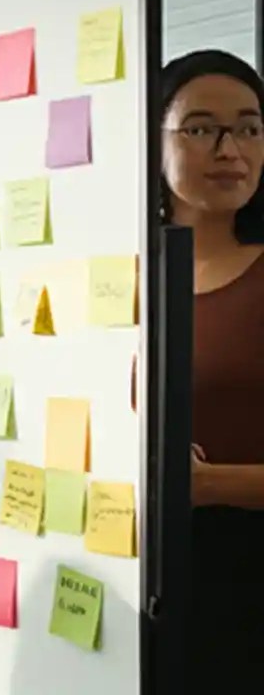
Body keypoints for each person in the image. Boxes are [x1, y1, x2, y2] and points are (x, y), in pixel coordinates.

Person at [160, 49, 264, 686]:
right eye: (201, 128)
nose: (231, 149)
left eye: (250, 128)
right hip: (126, 585)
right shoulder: (117, 276)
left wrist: (205, 485)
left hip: (246, 592)